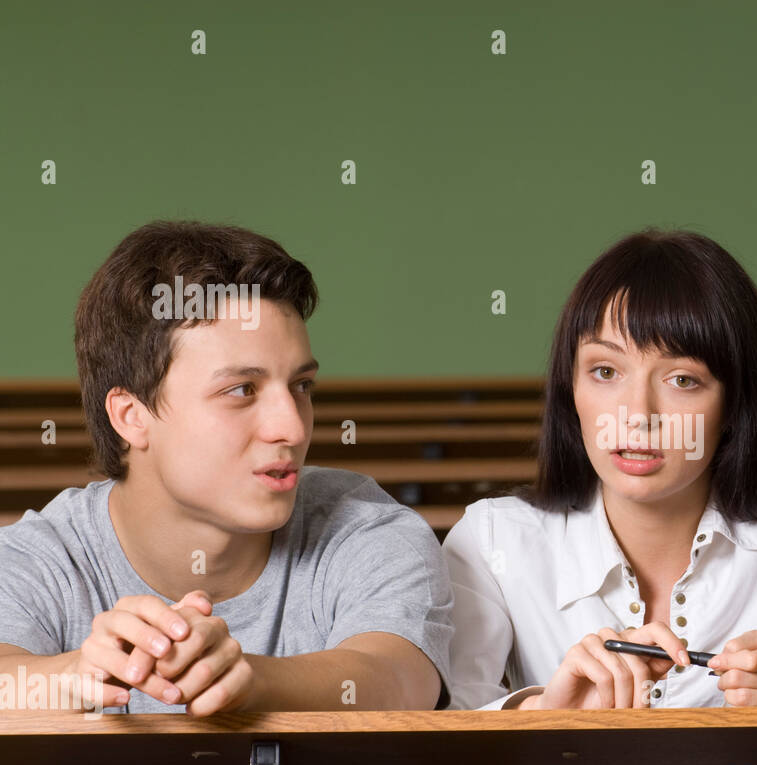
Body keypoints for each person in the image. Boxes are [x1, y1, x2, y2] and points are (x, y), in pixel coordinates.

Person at [0, 221, 452, 714]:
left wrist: (247, 680)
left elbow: (400, 679)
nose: (294, 430)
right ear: (131, 417)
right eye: (242, 390)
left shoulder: (367, 531)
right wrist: (72, 676)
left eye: (301, 386)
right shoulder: (39, 558)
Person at [444, 228, 757, 710]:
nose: (637, 414)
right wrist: (547, 715)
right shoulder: (491, 538)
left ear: (736, 402)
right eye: (605, 372)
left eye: (682, 379)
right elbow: (445, 732)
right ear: (570, 389)